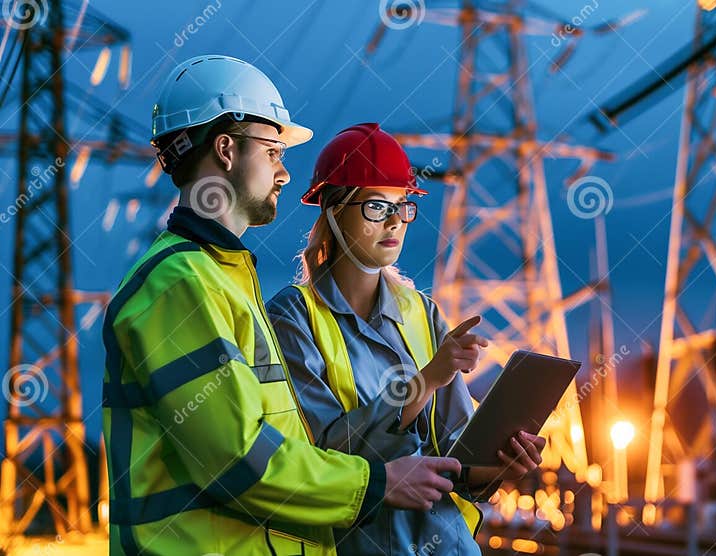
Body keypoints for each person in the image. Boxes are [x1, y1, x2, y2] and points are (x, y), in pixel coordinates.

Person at [102, 57, 460, 556]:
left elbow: (283, 446)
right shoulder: (179, 285)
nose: (285, 173)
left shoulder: (225, 279)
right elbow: (236, 460)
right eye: (272, 152)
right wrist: (377, 483)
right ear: (226, 150)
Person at [266, 123, 547, 555]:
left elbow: (456, 457)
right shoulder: (293, 316)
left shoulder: (422, 313)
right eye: (377, 206)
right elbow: (322, 454)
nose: (395, 220)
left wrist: (499, 464)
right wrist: (426, 380)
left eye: (402, 206)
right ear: (335, 212)